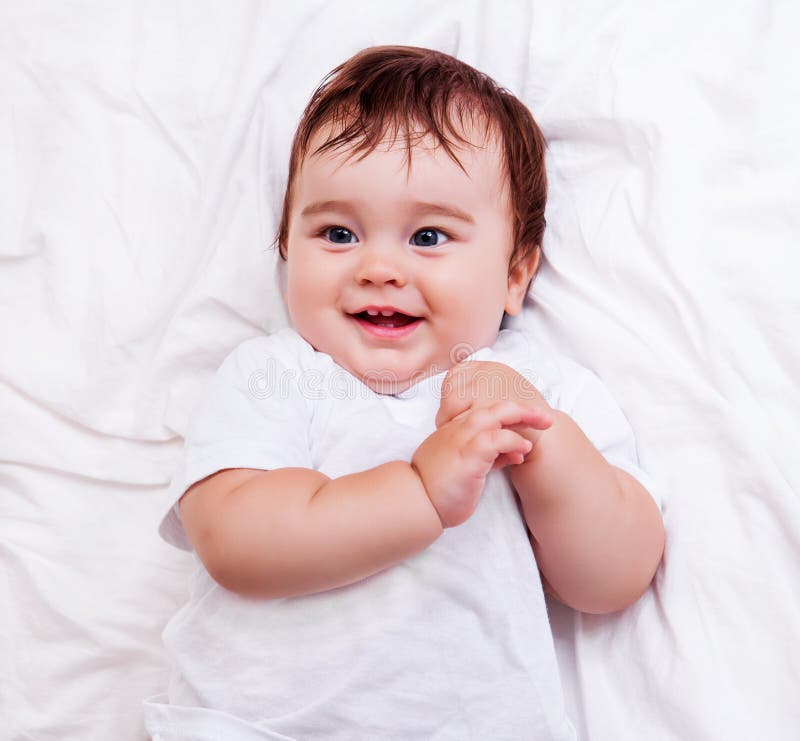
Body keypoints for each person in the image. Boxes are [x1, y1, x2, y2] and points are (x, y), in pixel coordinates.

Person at [144, 45, 665, 740]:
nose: (379, 267)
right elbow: (234, 541)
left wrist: (541, 445)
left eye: (428, 236)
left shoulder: (541, 391)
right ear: (287, 250)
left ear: (515, 275)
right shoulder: (274, 374)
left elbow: (613, 578)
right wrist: (420, 491)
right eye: (338, 233)